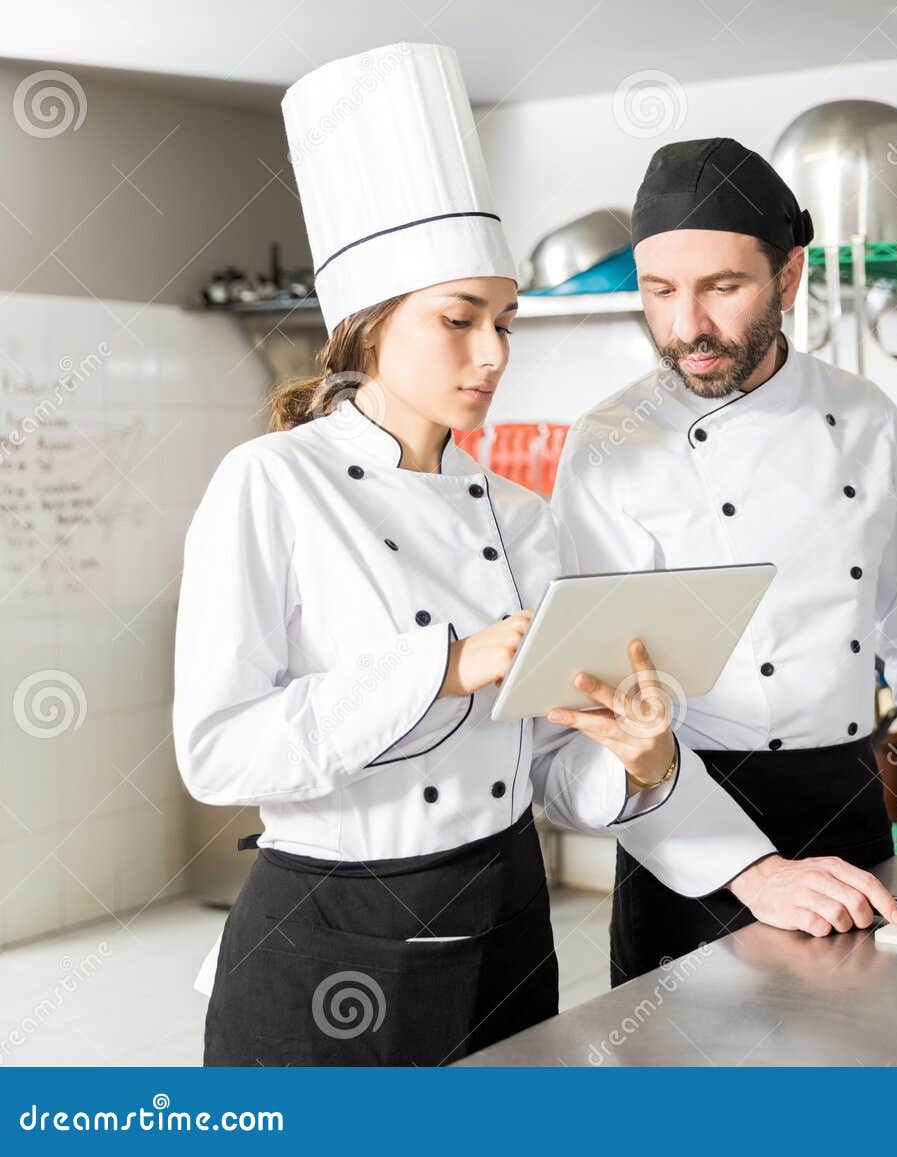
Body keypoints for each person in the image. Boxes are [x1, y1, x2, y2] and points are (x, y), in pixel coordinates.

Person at [174, 45, 761, 1065]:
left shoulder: (523, 517)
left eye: (504, 321)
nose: (491, 354)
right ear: (366, 328)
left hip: (504, 914)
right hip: (328, 931)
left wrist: (635, 754)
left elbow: (545, 769)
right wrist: (446, 662)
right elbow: (219, 749)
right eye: (457, 320)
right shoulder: (271, 482)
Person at [553, 138, 897, 986]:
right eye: (660, 292)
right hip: (688, 824)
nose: (685, 327)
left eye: (722, 287)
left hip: (846, 806)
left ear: (789, 276)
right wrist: (750, 869)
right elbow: (602, 709)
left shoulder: (865, 420)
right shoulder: (610, 445)